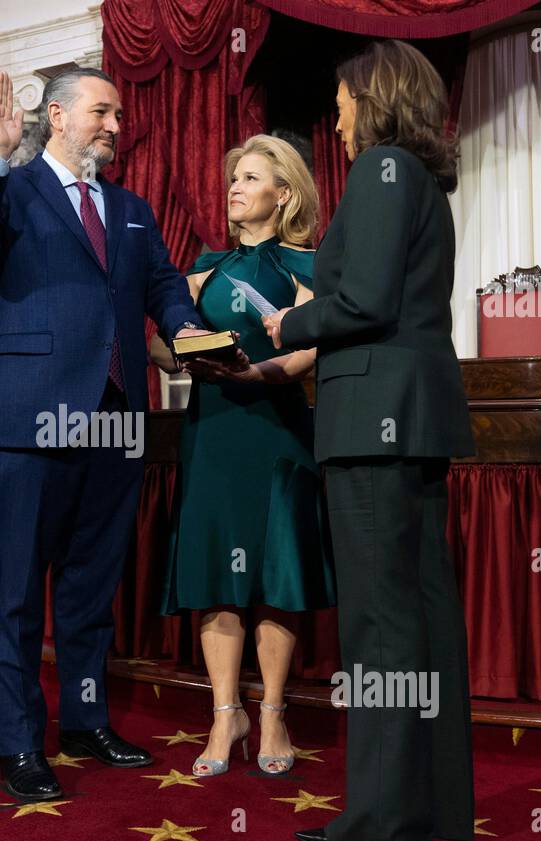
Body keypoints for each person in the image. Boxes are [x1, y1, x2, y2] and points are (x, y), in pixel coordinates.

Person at [0, 68, 212, 801]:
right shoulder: (12, 187)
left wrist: (187, 329)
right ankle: (21, 742)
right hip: (26, 422)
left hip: (118, 419)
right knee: (19, 591)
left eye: (120, 114)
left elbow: (162, 287)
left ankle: (86, 719)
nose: (116, 125)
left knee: (93, 589)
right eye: (102, 111)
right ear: (55, 116)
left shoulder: (131, 207)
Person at [264, 40, 476, 841]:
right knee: (422, 617)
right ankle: (434, 807)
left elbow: (365, 298)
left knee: (381, 626)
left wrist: (294, 323)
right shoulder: (413, 175)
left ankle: (384, 822)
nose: (339, 116)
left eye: (346, 101)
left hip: (374, 417)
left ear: (376, 99)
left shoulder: (384, 168)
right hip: (412, 416)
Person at [154, 134, 335, 778]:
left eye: (250, 178)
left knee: (273, 576)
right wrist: (181, 346)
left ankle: (275, 713)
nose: (234, 187)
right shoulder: (204, 266)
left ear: (283, 194)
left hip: (278, 432)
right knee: (216, 579)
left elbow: (308, 352)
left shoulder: (308, 265)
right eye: (232, 178)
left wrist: (257, 373)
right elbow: (163, 348)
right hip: (214, 433)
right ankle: (225, 712)